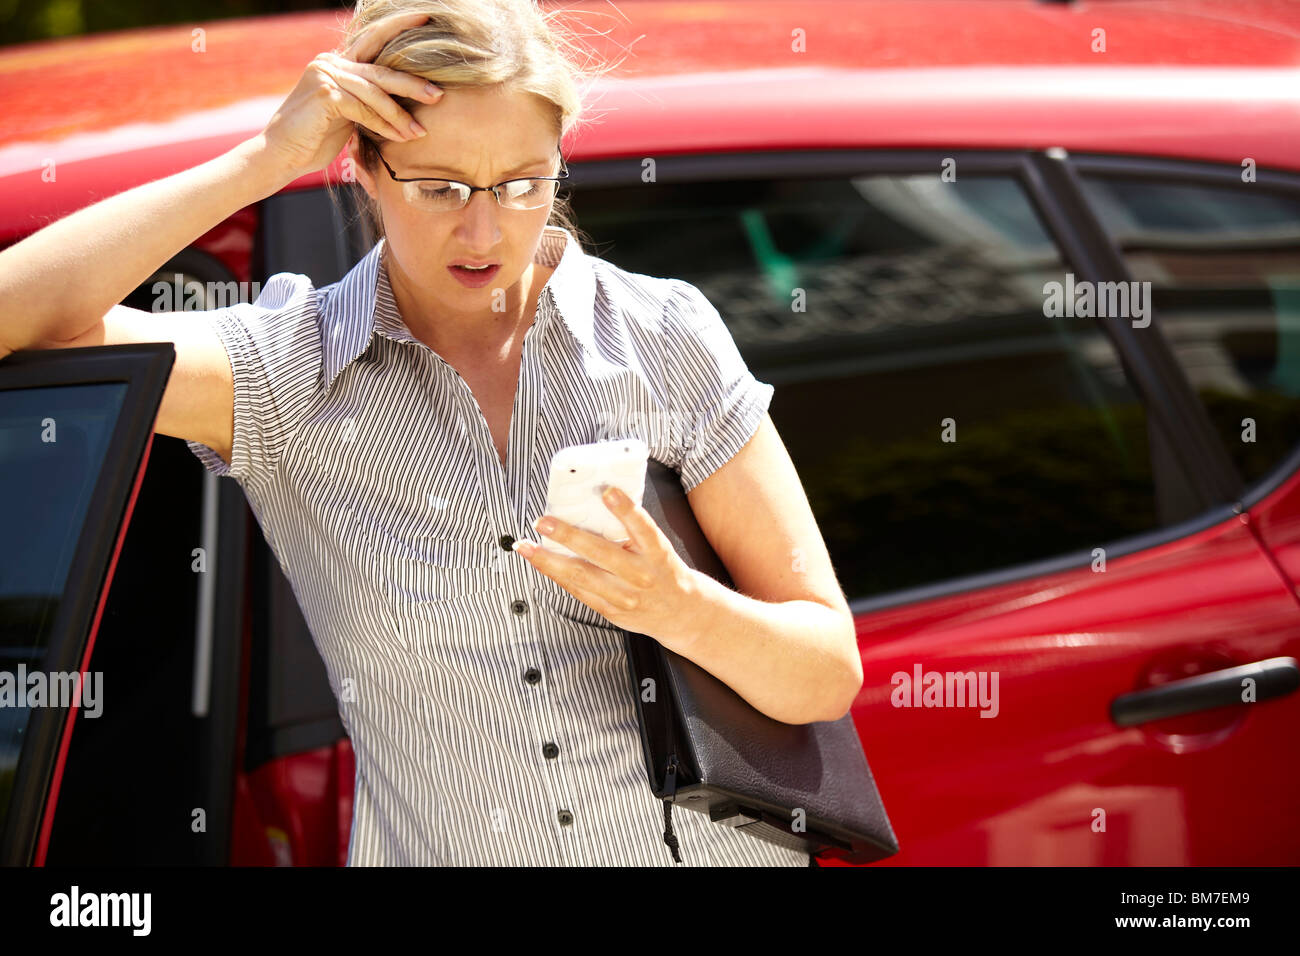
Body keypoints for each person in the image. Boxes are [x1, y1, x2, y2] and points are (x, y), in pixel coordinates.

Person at [0, 0, 861, 866]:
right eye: (440, 187)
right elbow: (14, 321)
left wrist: (676, 606)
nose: (484, 231)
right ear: (363, 168)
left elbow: (825, 672)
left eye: (523, 183)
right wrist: (264, 161)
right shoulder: (287, 373)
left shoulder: (664, 335)